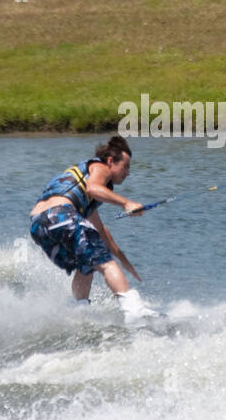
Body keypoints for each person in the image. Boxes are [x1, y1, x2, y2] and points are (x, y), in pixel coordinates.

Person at [29, 136, 160, 322]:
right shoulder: (99, 168)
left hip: (39, 226)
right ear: (110, 161)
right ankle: (135, 312)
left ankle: (79, 313)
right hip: (60, 215)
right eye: (126, 166)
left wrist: (123, 260)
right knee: (104, 262)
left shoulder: (84, 188)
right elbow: (93, 188)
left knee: (88, 262)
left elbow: (99, 229)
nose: (128, 173)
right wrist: (126, 203)